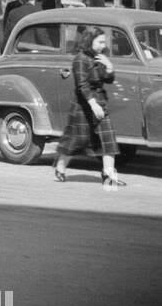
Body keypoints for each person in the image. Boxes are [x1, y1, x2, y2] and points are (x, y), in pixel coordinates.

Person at [54, 28, 126, 189]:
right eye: (100, 42)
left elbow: (108, 80)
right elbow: (82, 85)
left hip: (100, 103)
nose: (103, 46)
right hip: (83, 105)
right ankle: (60, 166)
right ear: (89, 40)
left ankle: (109, 176)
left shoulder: (98, 57)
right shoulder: (80, 59)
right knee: (77, 140)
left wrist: (109, 67)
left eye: (103, 42)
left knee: (108, 139)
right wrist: (93, 104)